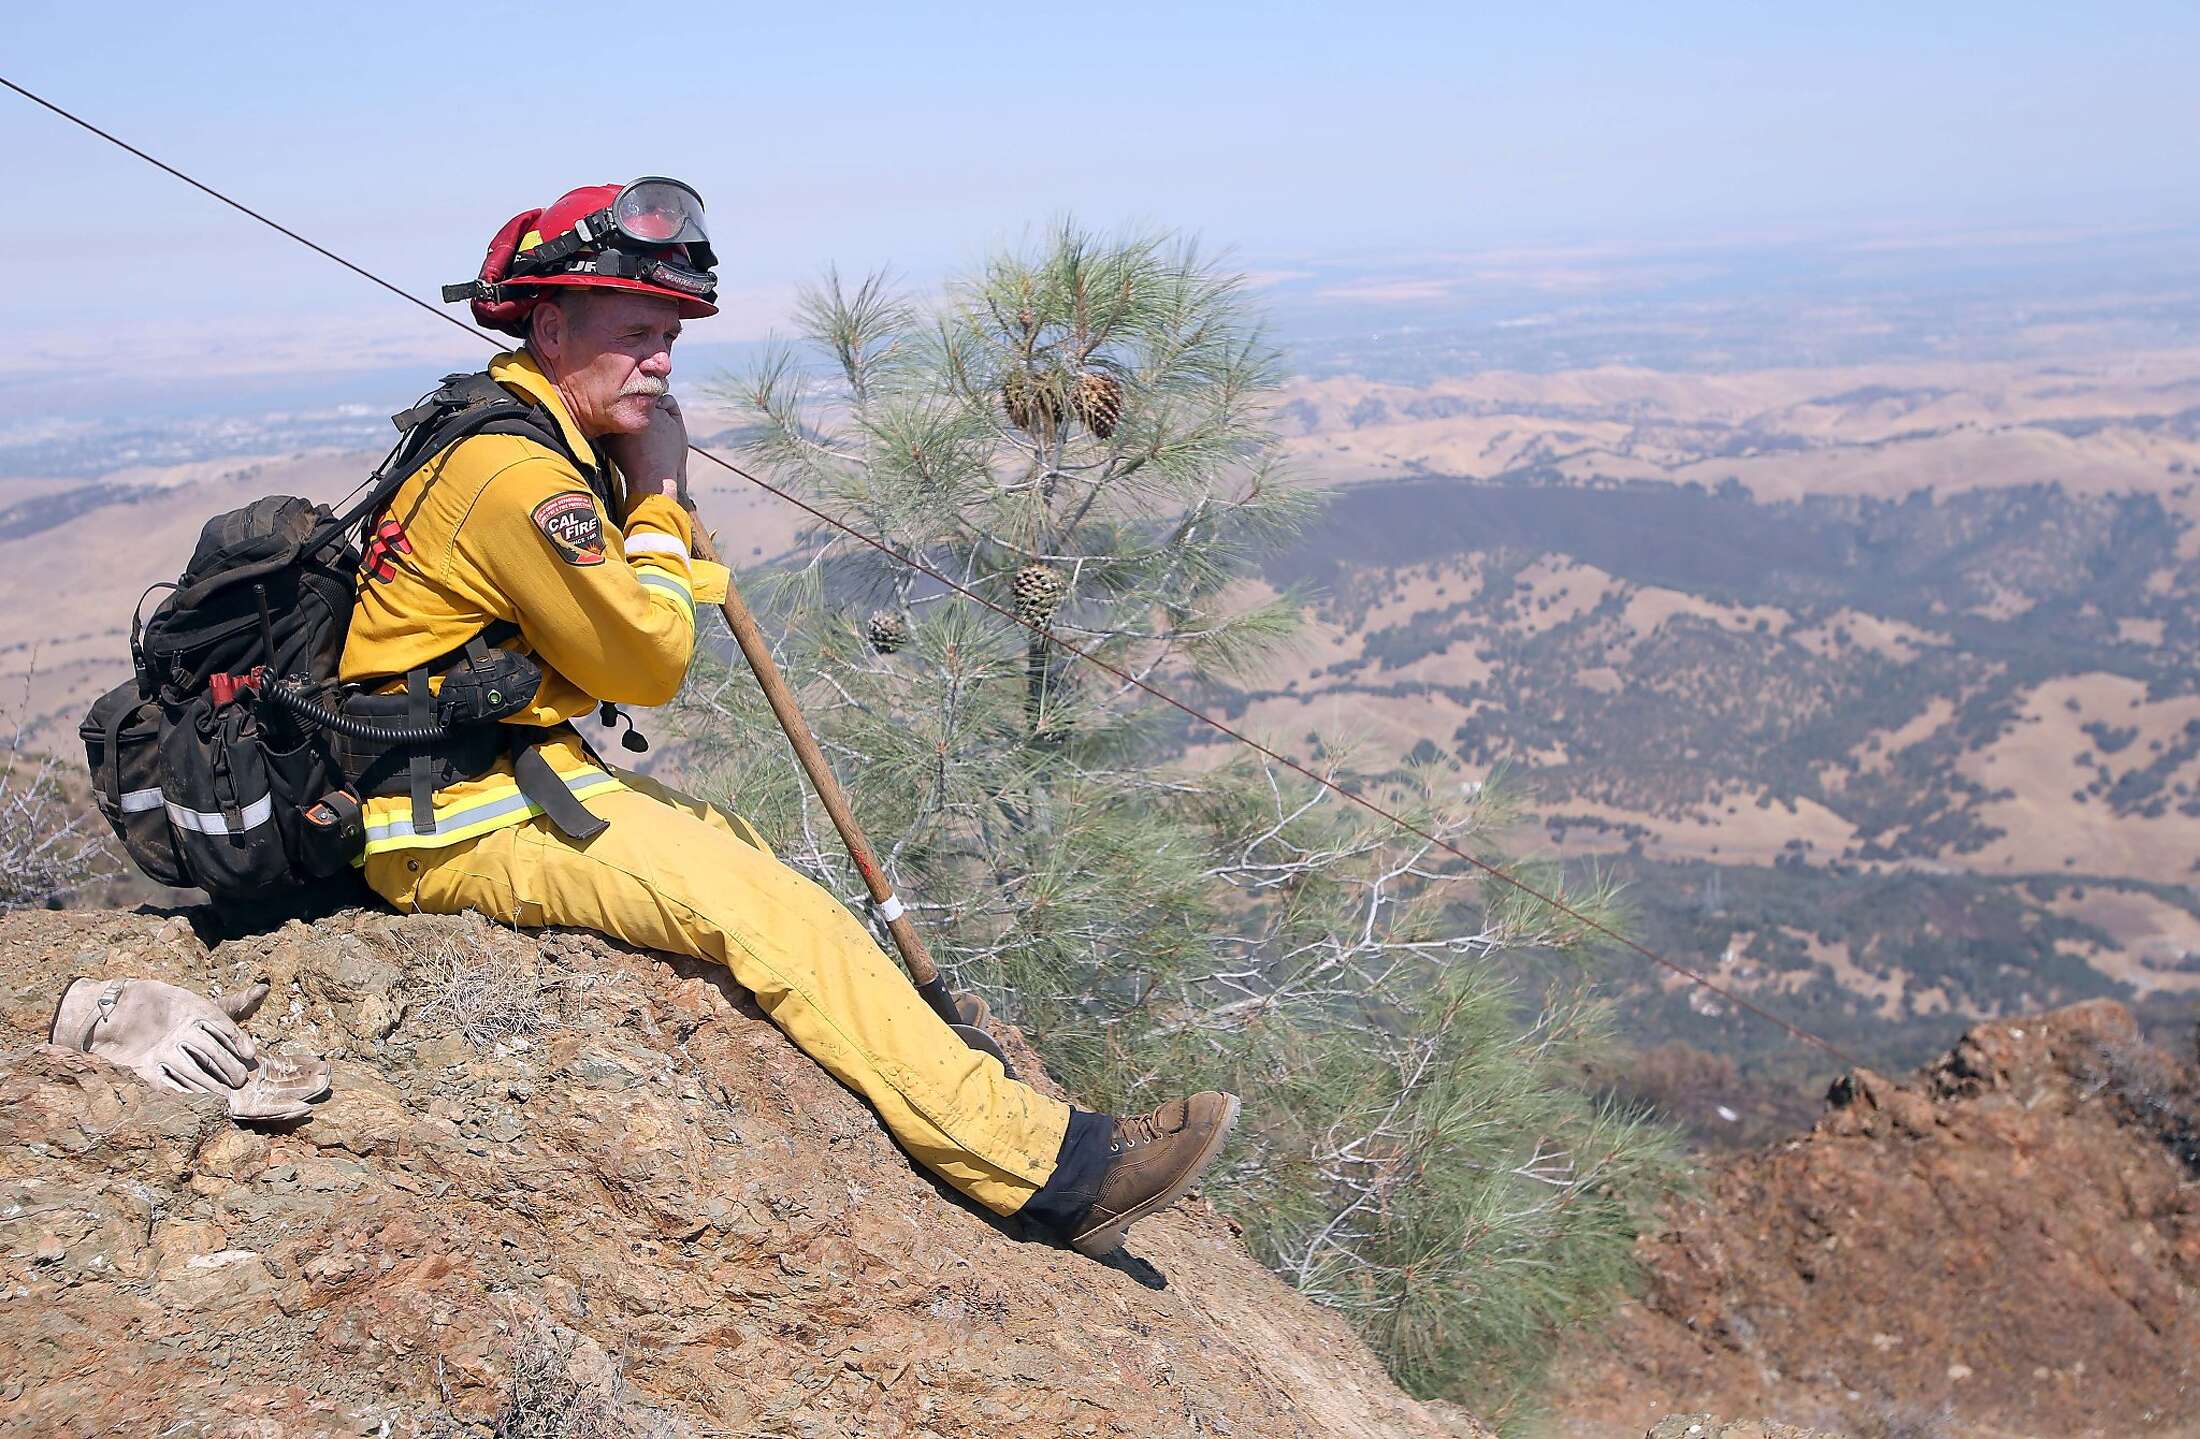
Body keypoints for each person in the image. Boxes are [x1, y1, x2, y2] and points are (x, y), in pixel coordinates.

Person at [340, 179, 1238, 1256]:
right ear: (546, 325)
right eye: (635, 332)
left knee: (753, 853)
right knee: (778, 918)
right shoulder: (517, 471)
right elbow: (646, 657)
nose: (662, 360)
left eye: (668, 336)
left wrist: (636, 481)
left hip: (510, 776)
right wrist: (662, 497)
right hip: (446, 825)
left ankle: (937, 1069)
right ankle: (1060, 1175)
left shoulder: (536, 436)